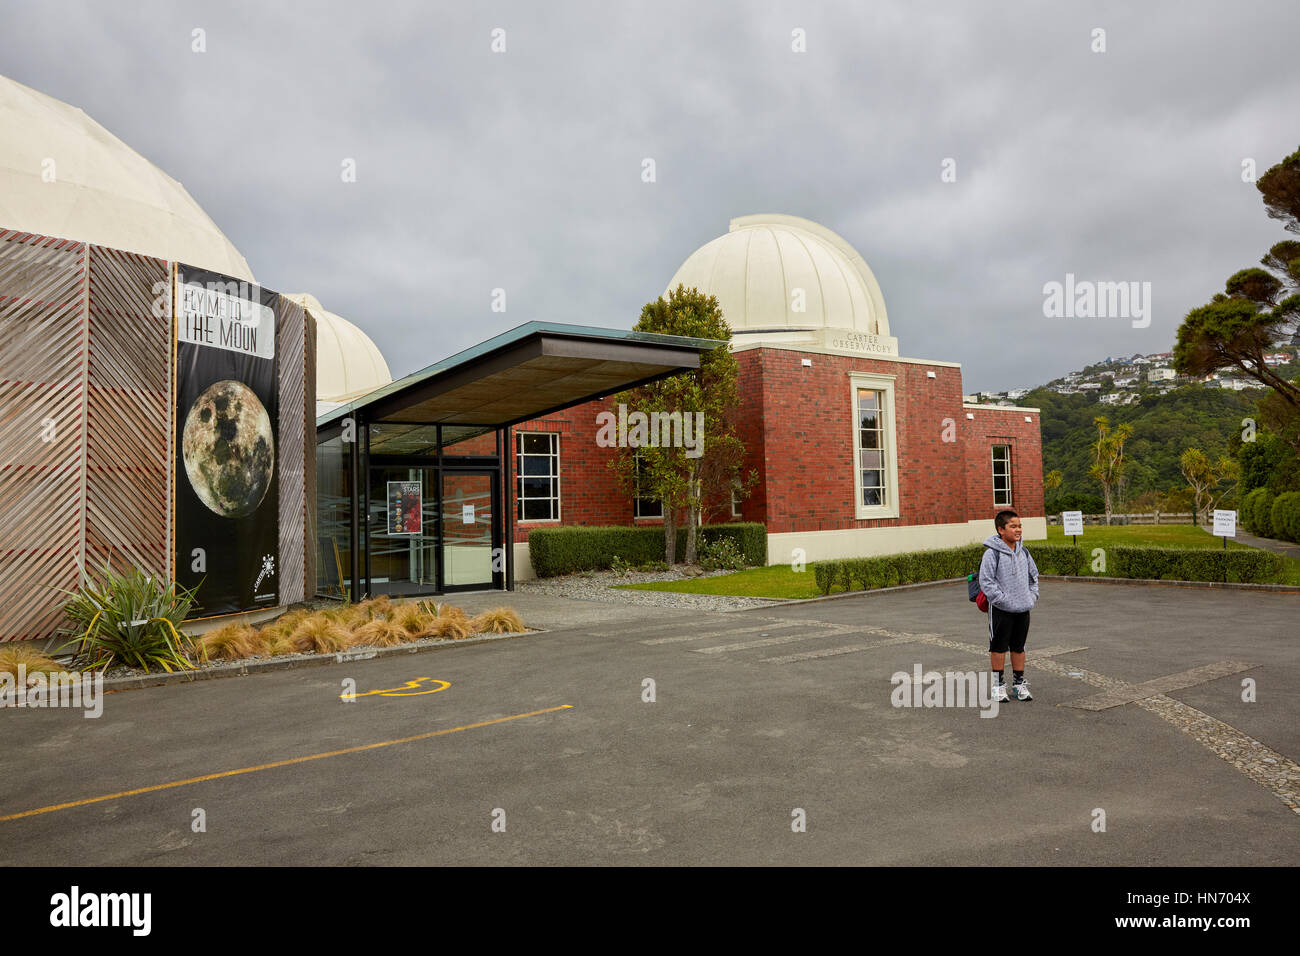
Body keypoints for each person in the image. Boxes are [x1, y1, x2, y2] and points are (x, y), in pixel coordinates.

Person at [978, 509, 1038, 702]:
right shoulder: (991, 554)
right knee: (998, 647)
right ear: (1001, 529)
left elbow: (1033, 576)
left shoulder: (1024, 551)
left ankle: (1019, 684)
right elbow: (986, 581)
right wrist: (1002, 599)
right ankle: (998, 686)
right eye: (1013, 526)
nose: (1018, 530)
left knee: (1019, 647)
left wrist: (1032, 596)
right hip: (1001, 609)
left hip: (1023, 607)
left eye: (1019, 526)